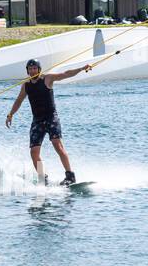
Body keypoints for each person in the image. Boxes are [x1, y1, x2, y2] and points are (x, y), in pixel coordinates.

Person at [6, 57, 92, 186]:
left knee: (57, 145)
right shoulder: (26, 85)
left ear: (39, 69)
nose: (33, 71)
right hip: (37, 121)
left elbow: (65, 74)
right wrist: (11, 114)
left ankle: (70, 175)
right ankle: (43, 178)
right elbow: (19, 100)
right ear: (27, 71)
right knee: (34, 152)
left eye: (35, 68)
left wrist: (81, 69)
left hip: (51, 118)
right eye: (30, 69)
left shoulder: (47, 79)